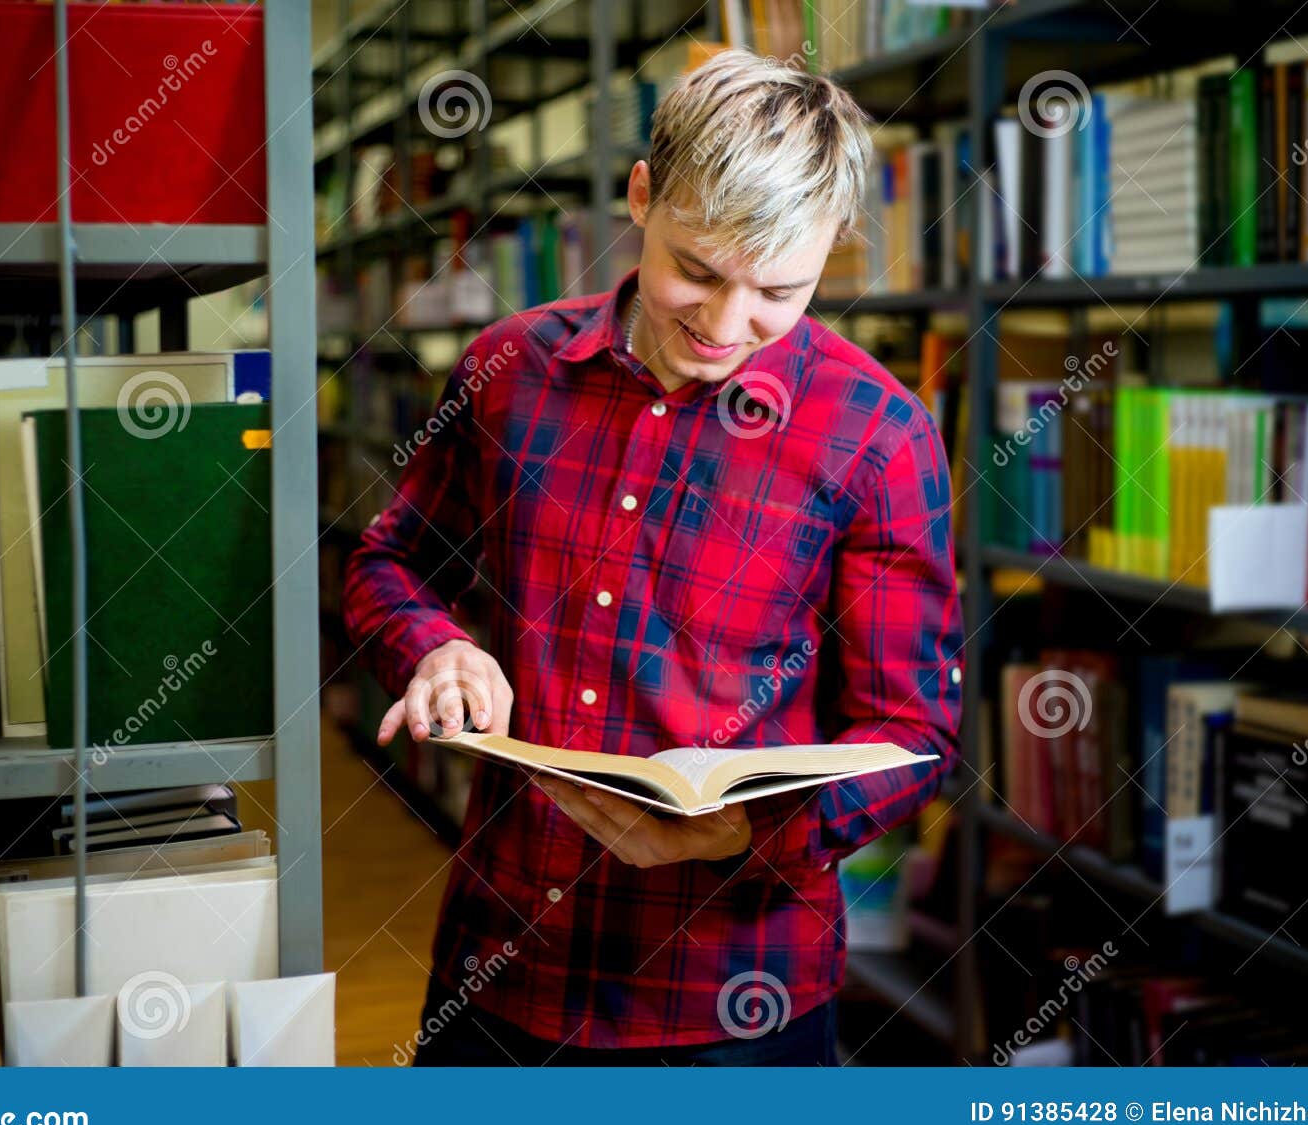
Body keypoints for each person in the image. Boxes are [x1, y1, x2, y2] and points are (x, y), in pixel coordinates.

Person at [343, 48, 962, 1066]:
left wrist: (744, 836)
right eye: (699, 270)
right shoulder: (507, 370)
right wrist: (434, 646)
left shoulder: (879, 434)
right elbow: (388, 562)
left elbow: (915, 732)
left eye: (778, 289)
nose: (725, 325)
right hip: (499, 963)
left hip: (730, 1000)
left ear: (829, 250)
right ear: (642, 195)